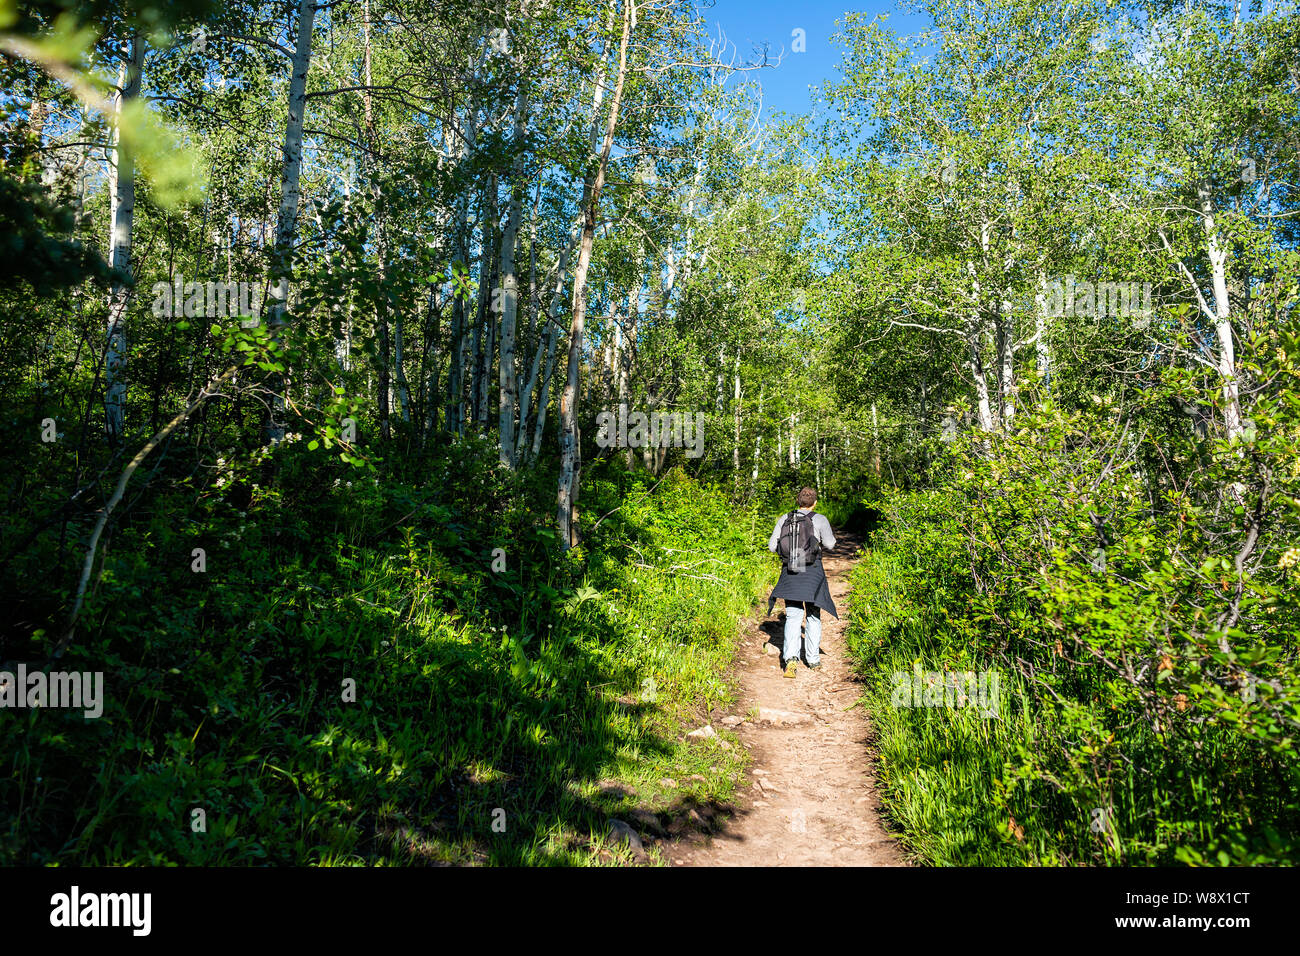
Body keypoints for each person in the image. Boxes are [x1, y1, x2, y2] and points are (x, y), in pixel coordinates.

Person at [767, 486, 838, 678]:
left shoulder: (785, 518)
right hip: (813, 572)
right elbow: (831, 544)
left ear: (797, 501)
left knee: (793, 615)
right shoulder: (820, 518)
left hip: (791, 570)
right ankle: (813, 659)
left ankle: (791, 659)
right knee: (813, 615)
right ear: (815, 503)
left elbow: (772, 547)